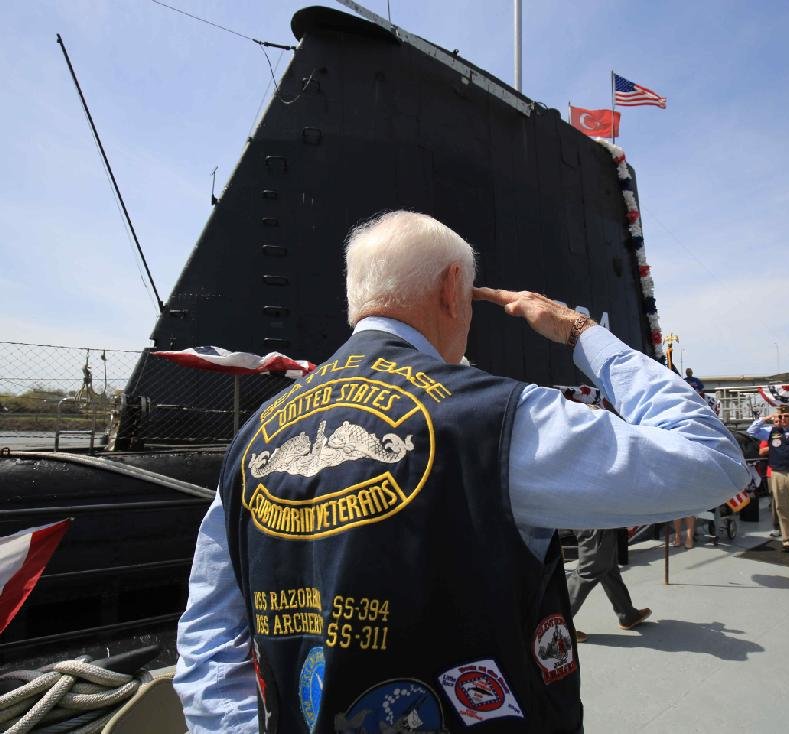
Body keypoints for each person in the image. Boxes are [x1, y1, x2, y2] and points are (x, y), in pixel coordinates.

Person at [172, 211, 749, 733]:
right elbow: (713, 461)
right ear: (453, 288)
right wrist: (580, 332)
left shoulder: (253, 437)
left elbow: (209, 635)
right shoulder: (494, 418)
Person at [746, 405, 789, 554]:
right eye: (780, 416)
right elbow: (751, 431)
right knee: (782, 508)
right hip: (778, 474)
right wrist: (765, 419)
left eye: (785, 416)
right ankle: (788, 541)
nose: (782, 419)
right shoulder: (772, 431)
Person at [566, 528, 651, 643]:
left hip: (599, 521)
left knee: (609, 569)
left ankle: (627, 614)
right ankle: (559, 625)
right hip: (596, 521)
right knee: (588, 571)